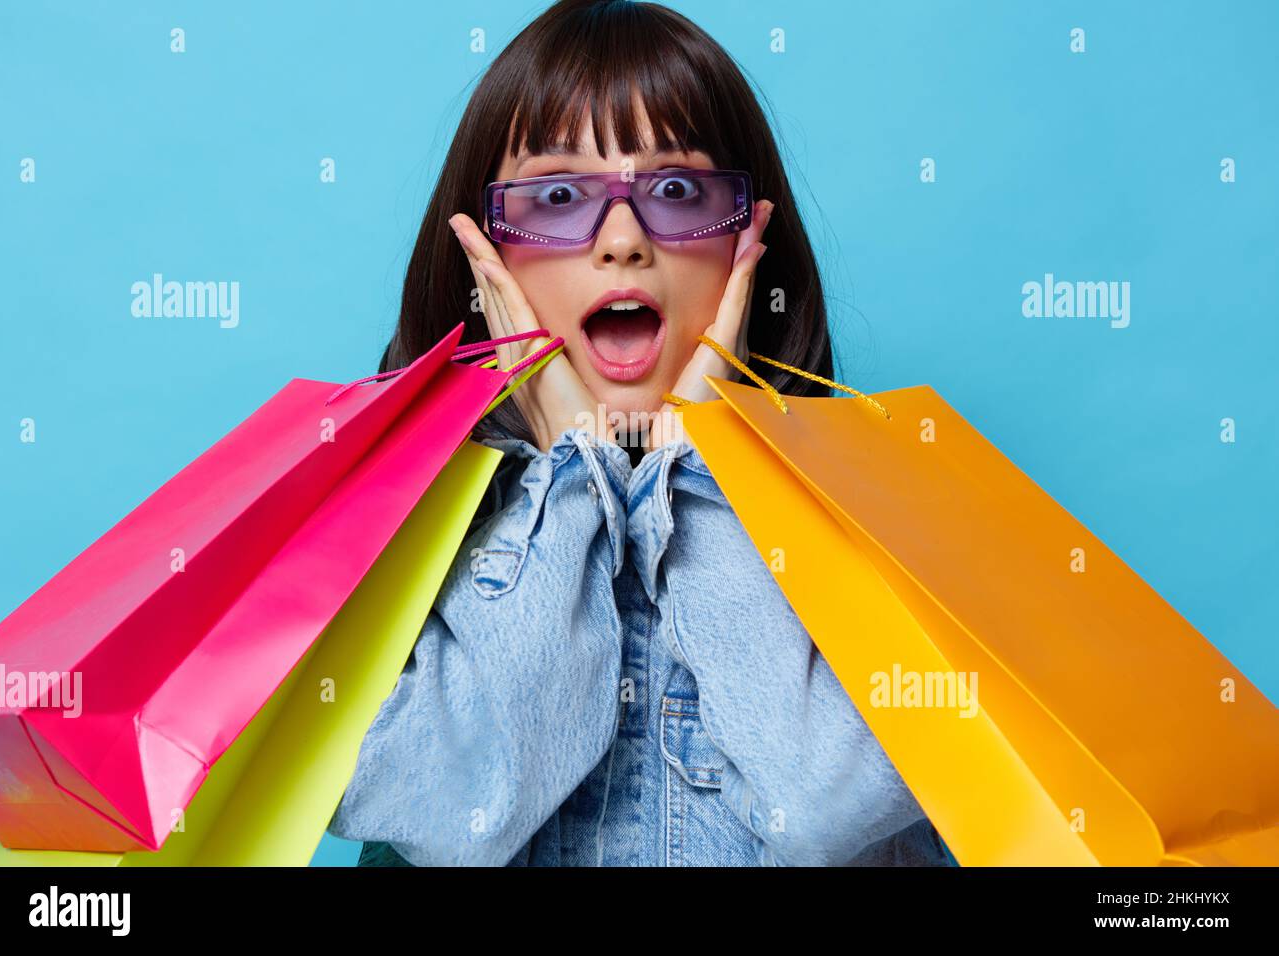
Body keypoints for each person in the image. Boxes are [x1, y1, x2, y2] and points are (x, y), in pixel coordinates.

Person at [326, 0, 955, 867]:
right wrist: (571, 477)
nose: (622, 241)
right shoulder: (385, 532)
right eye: (555, 196)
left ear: (749, 243)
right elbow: (454, 819)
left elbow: (821, 803)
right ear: (487, 262)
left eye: (675, 192)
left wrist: (697, 467)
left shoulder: (896, 518)